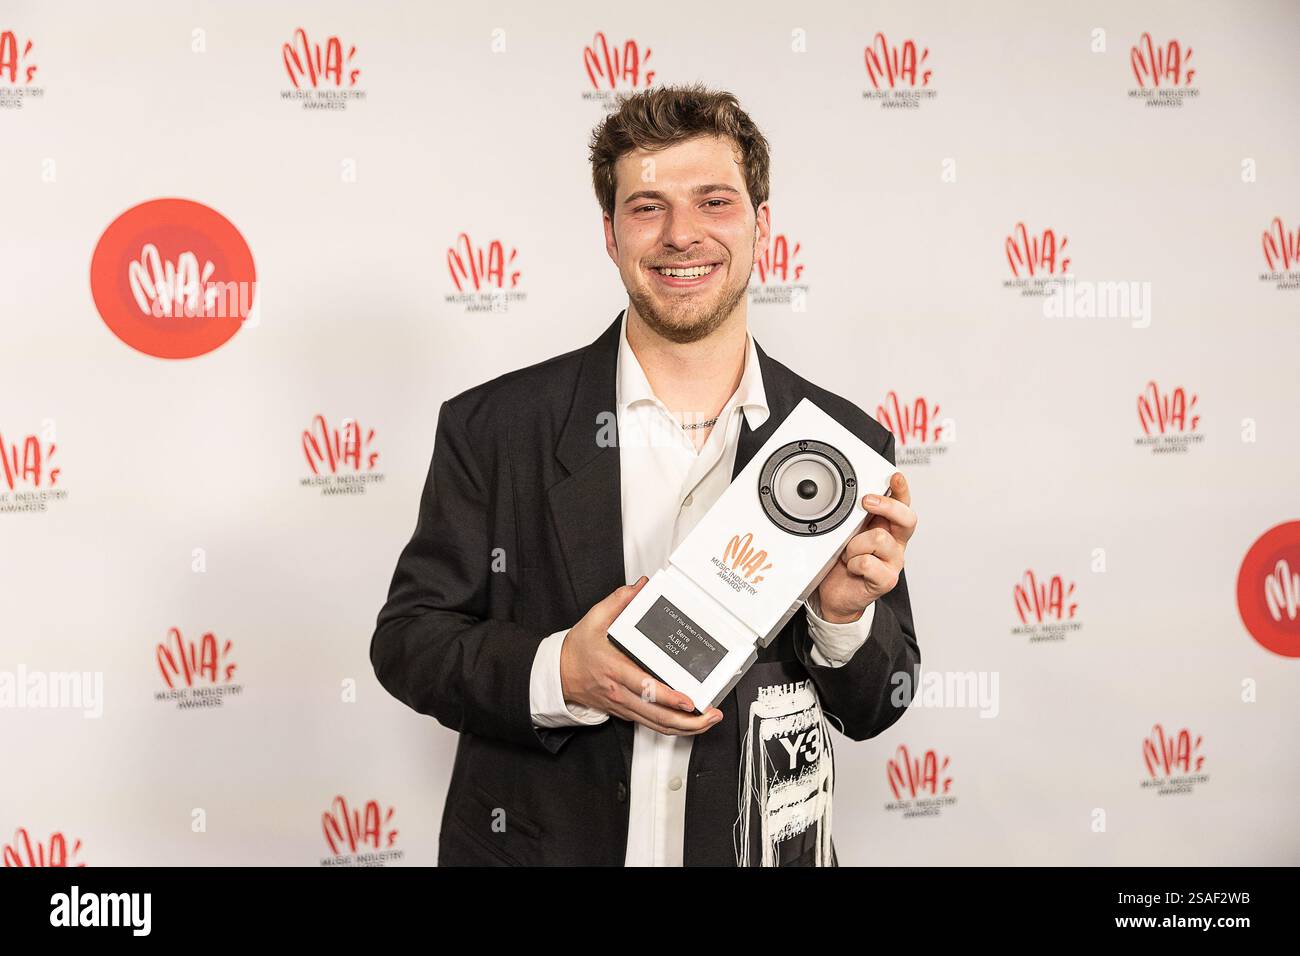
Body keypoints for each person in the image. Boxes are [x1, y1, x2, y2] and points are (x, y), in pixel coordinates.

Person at [371, 82, 920, 866]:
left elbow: (875, 707)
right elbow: (409, 644)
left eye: (715, 202)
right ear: (610, 233)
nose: (681, 235)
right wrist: (562, 671)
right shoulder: (496, 427)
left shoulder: (841, 443)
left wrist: (839, 618)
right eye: (647, 207)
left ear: (762, 226)